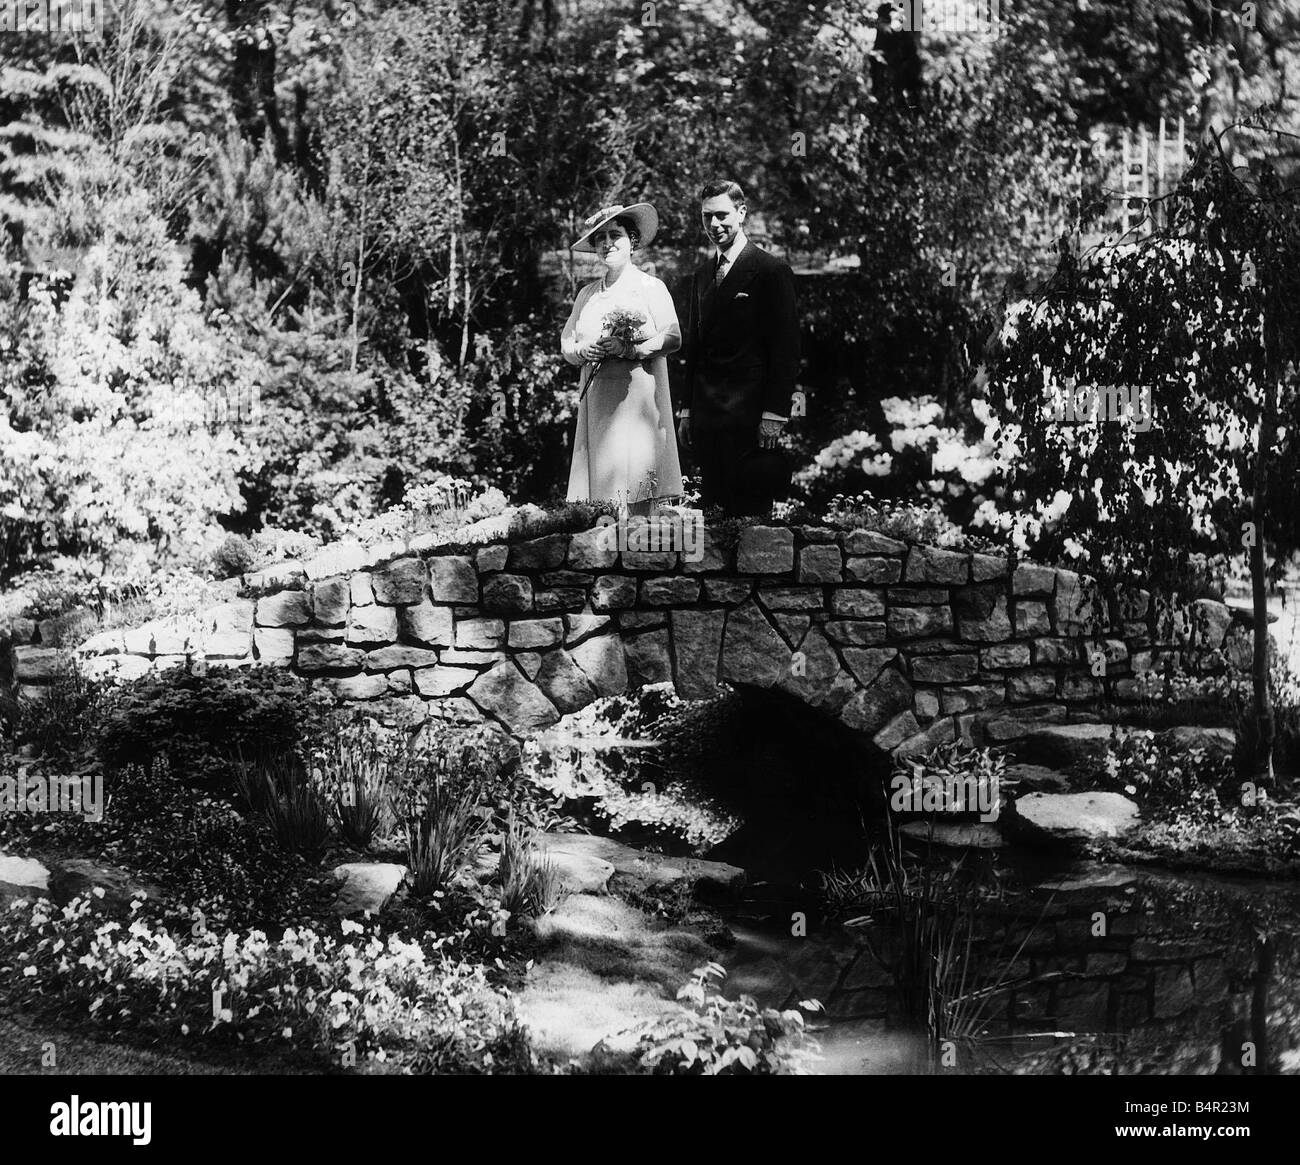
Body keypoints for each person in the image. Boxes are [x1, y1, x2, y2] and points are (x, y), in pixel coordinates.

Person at [677, 179, 799, 516]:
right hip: (708, 416)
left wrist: (774, 414)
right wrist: (687, 410)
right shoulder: (702, 275)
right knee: (713, 515)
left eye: (722, 215)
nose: (714, 225)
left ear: (741, 213)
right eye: (706, 217)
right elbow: (695, 349)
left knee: (750, 520)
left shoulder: (770, 271)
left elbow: (786, 350)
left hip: (749, 417)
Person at [561, 202, 684, 514]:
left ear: (632, 241)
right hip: (599, 403)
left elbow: (673, 337)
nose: (606, 243)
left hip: (638, 403)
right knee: (602, 498)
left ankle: (642, 553)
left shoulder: (650, 287)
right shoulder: (587, 294)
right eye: (599, 238)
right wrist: (580, 351)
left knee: (639, 488)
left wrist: (631, 349)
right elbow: (566, 341)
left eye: (614, 235)